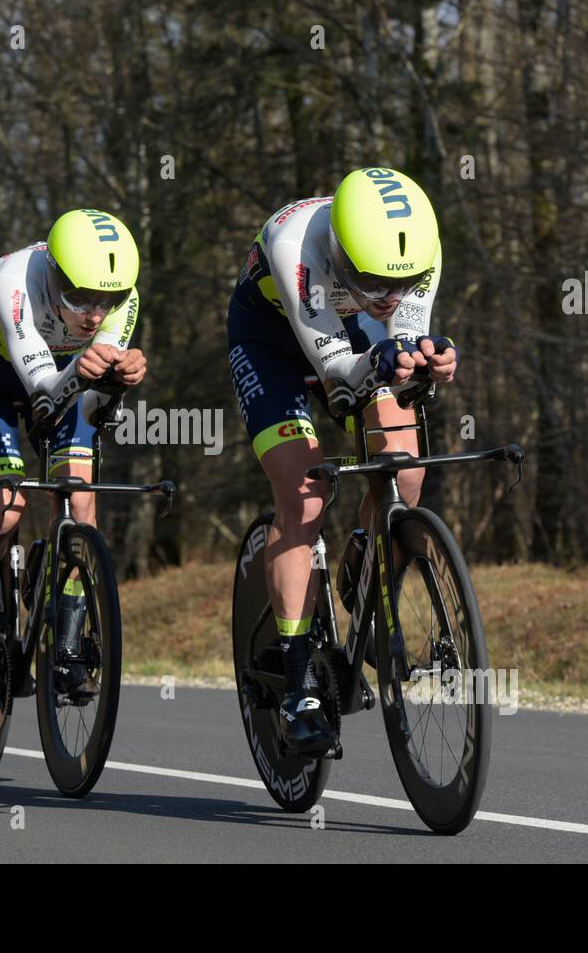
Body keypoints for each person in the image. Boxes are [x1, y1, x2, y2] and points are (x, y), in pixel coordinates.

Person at [226, 167, 459, 753]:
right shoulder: (295, 244)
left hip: (354, 335)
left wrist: (427, 359)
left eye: (399, 284)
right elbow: (335, 370)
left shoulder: (416, 254)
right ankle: (299, 675)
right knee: (304, 494)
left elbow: (401, 335)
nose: (389, 296)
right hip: (273, 343)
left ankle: (360, 574)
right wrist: (381, 363)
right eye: (372, 280)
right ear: (339, 250)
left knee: (405, 470)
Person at [0, 209, 146, 696]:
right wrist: (84, 369)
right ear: (53, 274)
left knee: (80, 502)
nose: (95, 315)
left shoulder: (124, 297)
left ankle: (67, 642)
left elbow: (90, 400)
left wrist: (120, 380)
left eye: (107, 302)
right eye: (80, 298)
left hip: (68, 378)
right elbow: (44, 393)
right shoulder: (11, 277)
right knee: (4, 514)